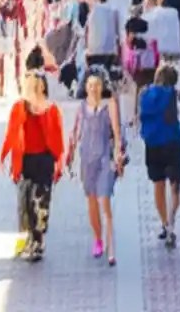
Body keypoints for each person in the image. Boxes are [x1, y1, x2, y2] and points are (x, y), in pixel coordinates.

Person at [0, 72, 66, 261]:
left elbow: (58, 140)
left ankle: (38, 241)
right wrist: (4, 156)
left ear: (43, 87)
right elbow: (11, 134)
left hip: (44, 160)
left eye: (36, 86)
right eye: (30, 86)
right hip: (25, 160)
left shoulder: (52, 110)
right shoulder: (19, 108)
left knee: (41, 202)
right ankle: (29, 237)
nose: (33, 90)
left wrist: (59, 163)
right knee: (25, 202)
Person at [68, 71, 125, 266]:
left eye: (97, 85)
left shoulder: (109, 105)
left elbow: (117, 133)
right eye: (90, 85)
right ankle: (98, 238)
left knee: (105, 202)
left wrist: (118, 154)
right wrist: (69, 155)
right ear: (85, 88)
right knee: (91, 201)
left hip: (103, 159)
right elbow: (74, 133)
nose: (93, 89)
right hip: (87, 159)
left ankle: (112, 249)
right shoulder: (82, 108)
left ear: (102, 87)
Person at [139, 65, 180, 249]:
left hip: (153, 144)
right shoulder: (171, 94)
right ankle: (172, 222)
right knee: (175, 186)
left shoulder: (144, 94)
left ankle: (165, 223)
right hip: (173, 142)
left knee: (158, 185)